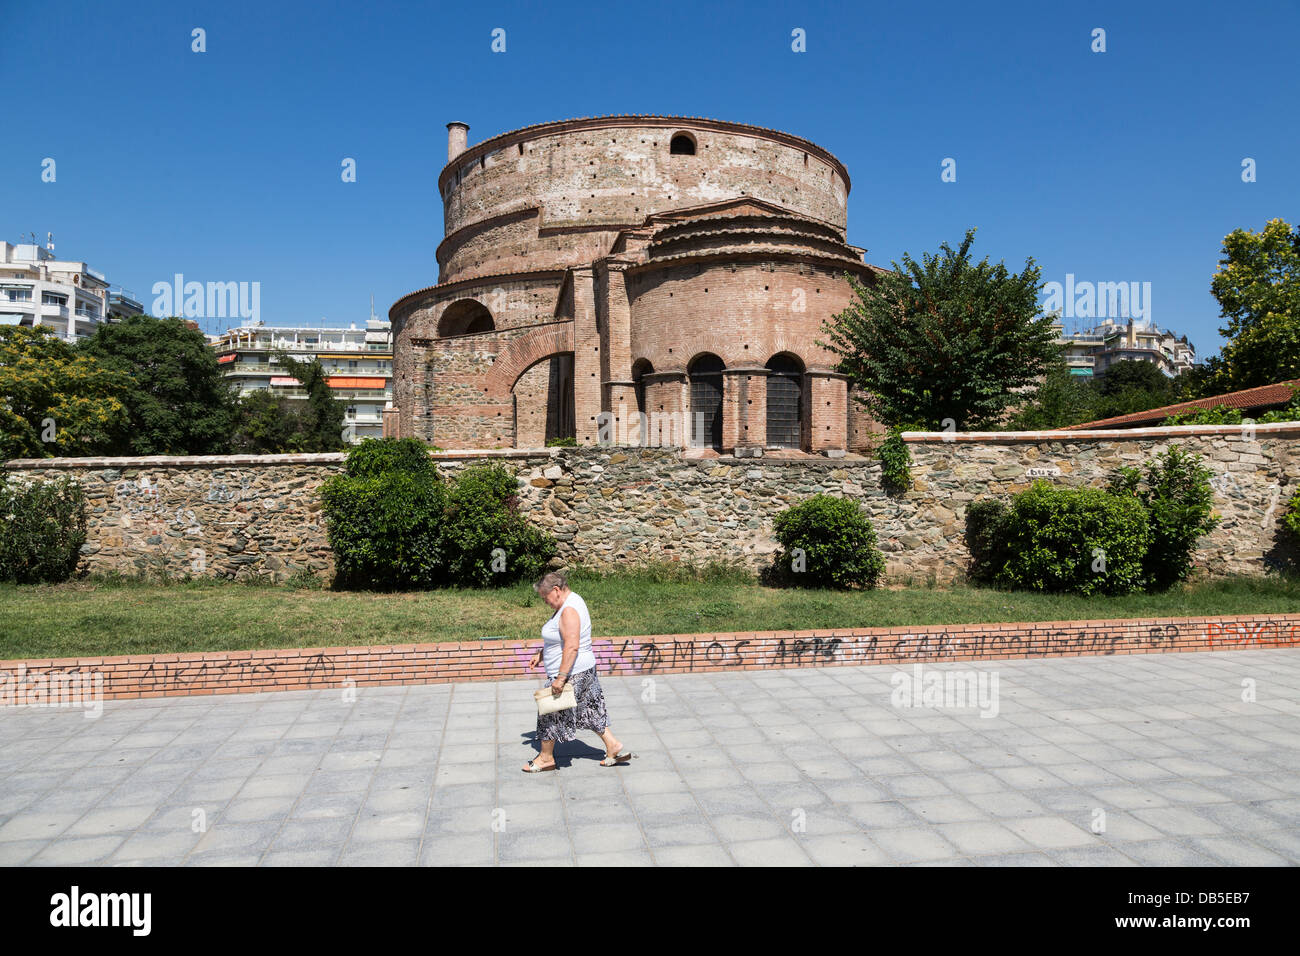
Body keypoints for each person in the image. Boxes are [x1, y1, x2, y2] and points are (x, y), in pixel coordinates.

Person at [523, 570, 632, 772]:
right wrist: (542, 654)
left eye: (545, 598)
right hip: (584, 669)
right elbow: (561, 638)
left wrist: (561, 678)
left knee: (549, 712)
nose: (545, 602)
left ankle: (546, 758)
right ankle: (613, 745)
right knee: (589, 710)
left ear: (556, 590)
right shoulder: (572, 601)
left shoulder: (568, 610)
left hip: (571, 673)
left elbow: (571, 645)